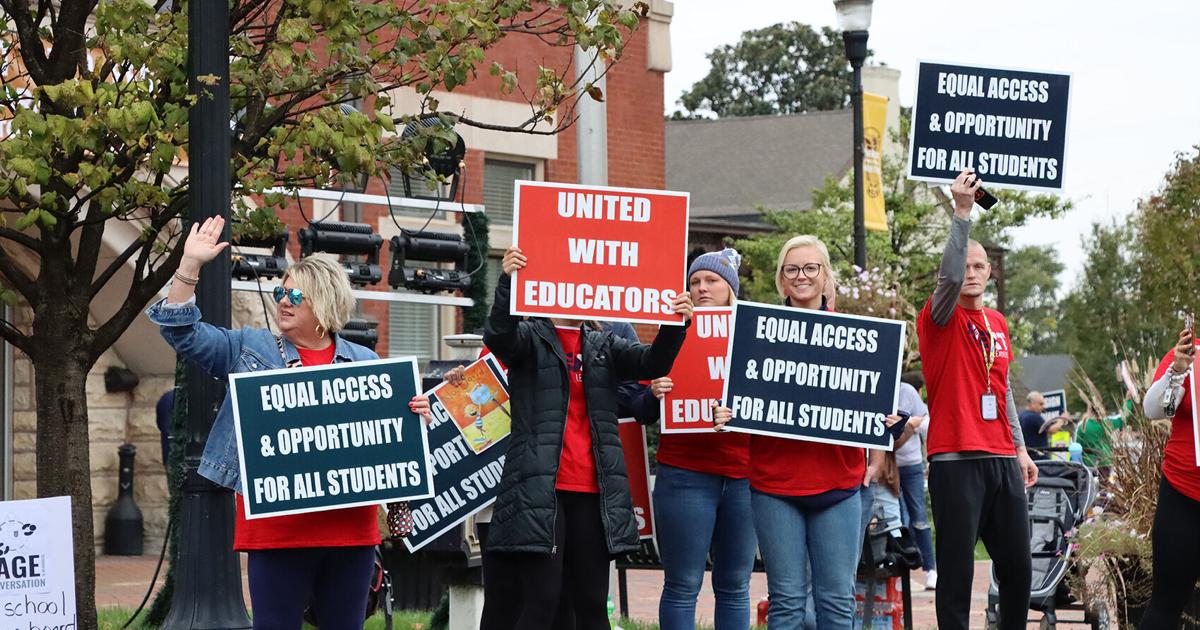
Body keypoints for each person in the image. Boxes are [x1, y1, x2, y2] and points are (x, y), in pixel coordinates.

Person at [146, 216, 432, 630]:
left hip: (350, 533)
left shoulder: (365, 363)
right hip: (276, 533)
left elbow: (388, 449)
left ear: (325, 301)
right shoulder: (249, 349)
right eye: (280, 290)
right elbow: (181, 333)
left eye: (295, 293)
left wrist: (413, 416)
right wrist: (189, 266)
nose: (283, 299)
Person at [480, 245, 692, 630]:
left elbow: (652, 363)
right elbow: (498, 336)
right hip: (542, 493)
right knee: (541, 601)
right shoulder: (531, 337)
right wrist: (509, 281)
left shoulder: (603, 345)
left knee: (592, 604)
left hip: (595, 493)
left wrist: (676, 322)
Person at [713, 236, 898, 630]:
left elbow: (881, 414)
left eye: (811, 268)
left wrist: (885, 431)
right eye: (792, 269)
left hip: (838, 486)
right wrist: (729, 411)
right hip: (774, 487)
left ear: (826, 276)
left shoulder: (857, 339)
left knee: (836, 602)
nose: (802, 276)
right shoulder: (754, 335)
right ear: (781, 280)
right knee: (787, 603)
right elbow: (742, 401)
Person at [917, 169, 1038, 630]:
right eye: (964, 266)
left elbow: (1003, 387)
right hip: (955, 459)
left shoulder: (998, 322)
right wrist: (961, 213)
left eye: (979, 266)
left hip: (1002, 458)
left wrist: (1021, 450)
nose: (970, 273)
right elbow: (948, 279)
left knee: (1017, 570)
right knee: (957, 575)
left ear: (989, 271)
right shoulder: (938, 317)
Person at [628, 248, 756, 630]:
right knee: (682, 583)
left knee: (735, 585)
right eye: (695, 281)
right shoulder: (670, 333)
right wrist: (653, 393)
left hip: (743, 476)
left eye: (711, 281)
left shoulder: (753, 334)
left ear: (730, 288)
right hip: (684, 474)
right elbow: (638, 409)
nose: (702, 288)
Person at [1140, 322, 1199, 629]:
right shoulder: (1190, 354)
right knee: (1165, 604)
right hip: (1184, 493)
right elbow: (1153, 410)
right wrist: (1177, 371)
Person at [893, 373, 936, 589]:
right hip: (888, 466)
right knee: (897, 521)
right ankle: (900, 573)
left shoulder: (907, 391)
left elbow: (927, 422)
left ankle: (931, 569)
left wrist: (909, 423)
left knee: (918, 517)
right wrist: (910, 423)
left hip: (910, 465)